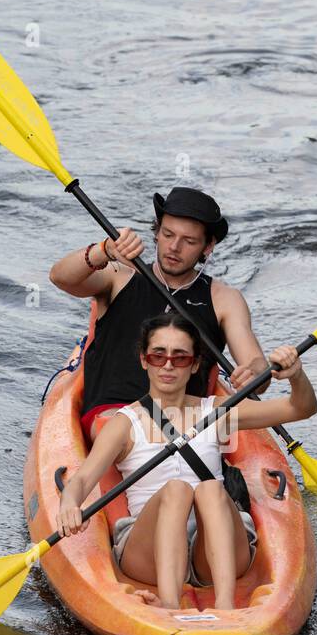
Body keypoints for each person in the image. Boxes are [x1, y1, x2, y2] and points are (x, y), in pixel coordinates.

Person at [55, 313, 317, 610]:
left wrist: (296, 374)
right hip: (149, 552)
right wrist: (69, 504)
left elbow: (301, 408)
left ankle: (225, 607)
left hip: (214, 549)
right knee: (176, 490)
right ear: (144, 360)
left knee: (211, 489)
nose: (168, 365)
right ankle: (168, 604)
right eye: (158, 356)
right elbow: (83, 480)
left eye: (180, 358)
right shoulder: (125, 422)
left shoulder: (218, 410)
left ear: (194, 365)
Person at [49, 186, 270, 445]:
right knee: (124, 435)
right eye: (167, 234)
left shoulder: (224, 299)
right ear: (157, 232)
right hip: (112, 415)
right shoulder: (120, 276)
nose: (174, 247)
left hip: (184, 423)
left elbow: (256, 364)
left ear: (208, 246)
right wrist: (104, 250)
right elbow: (60, 278)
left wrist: (253, 375)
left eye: (189, 241)